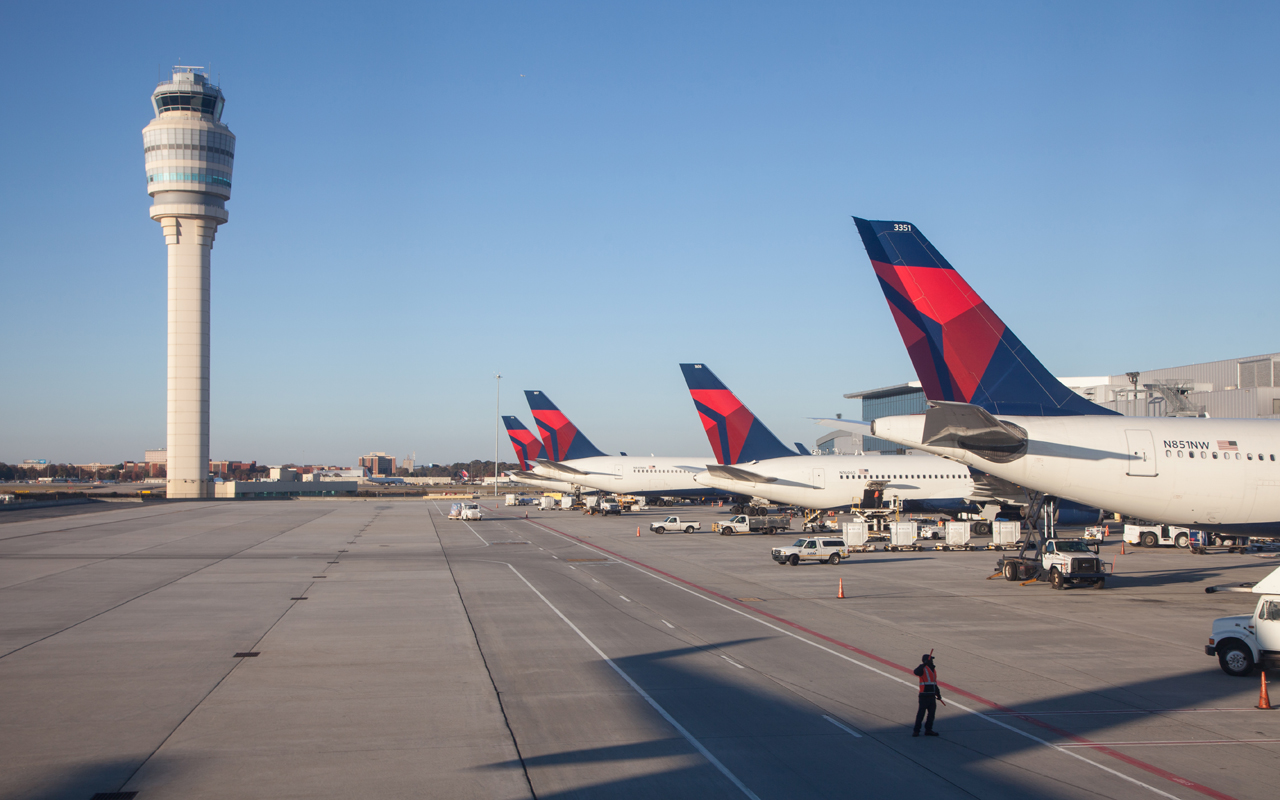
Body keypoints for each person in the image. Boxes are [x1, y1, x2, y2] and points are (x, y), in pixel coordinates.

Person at [913, 653, 941, 737]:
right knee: (921, 714)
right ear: (926, 660)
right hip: (924, 695)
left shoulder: (933, 670)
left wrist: (938, 693)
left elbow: (934, 683)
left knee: (931, 714)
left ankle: (928, 730)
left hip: (931, 695)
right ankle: (916, 730)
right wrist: (923, 664)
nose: (932, 661)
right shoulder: (923, 668)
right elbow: (916, 672)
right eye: (930, 659)